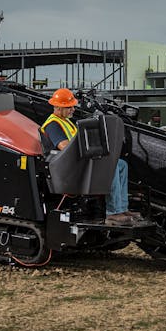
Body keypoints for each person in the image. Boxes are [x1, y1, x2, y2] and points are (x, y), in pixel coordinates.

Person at [41, 88, 141, 227]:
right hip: (67, 167)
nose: (73, 110)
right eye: (69, 107)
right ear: (58, 107)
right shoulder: (53, 125)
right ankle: (112, 213)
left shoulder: (65, 121)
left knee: (121, 164)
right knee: (109, 167)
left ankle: (122, 208)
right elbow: (65, 147)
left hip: (76, 161)